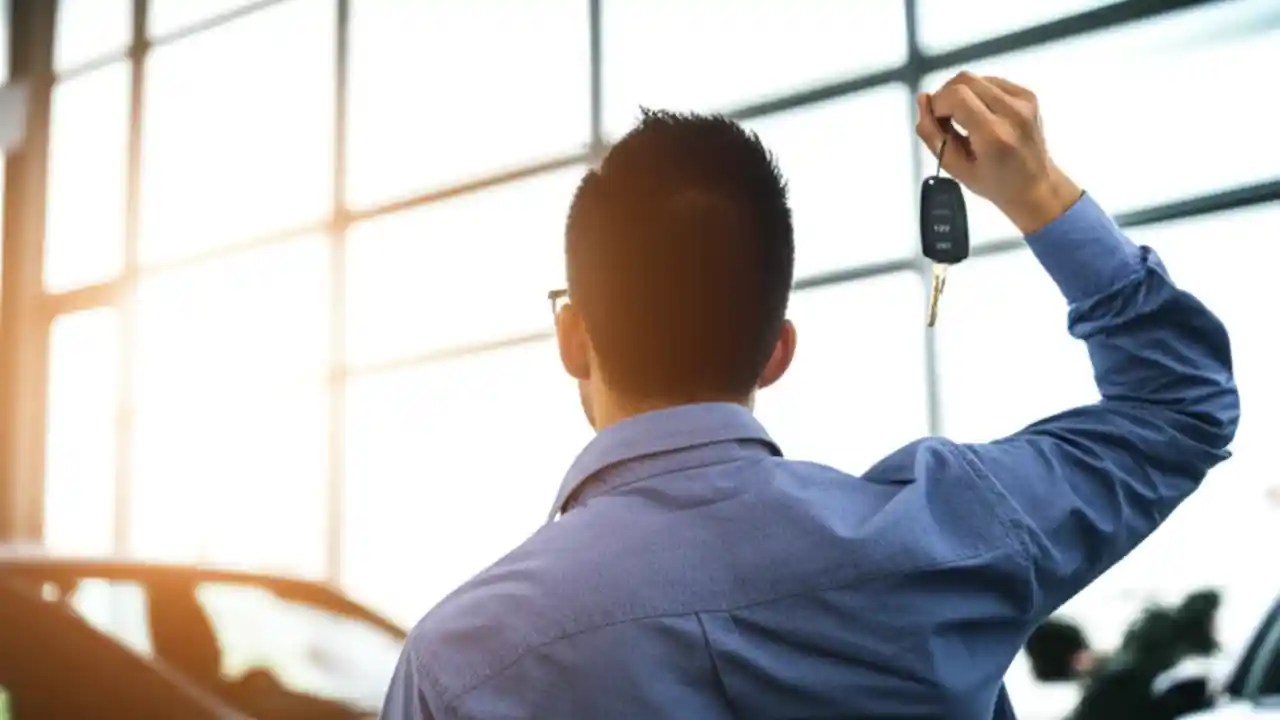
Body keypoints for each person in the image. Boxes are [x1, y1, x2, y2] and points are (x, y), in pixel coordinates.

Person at [380, 72, 1239, 718]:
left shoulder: (457, 664)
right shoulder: (949, 532)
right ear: (776, 351)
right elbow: (1181, 402)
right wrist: (1038, 191)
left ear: (574, 340)